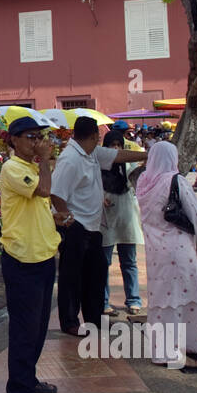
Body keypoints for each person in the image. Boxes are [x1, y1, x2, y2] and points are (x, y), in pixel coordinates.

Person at [50, 116, 148, 334]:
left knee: (96, 273)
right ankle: (70, 322)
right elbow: (56, 193)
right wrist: (67, 218)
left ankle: (94, 320)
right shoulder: (70, 159)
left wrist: (147, 154)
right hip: (76, 225)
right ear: (94, 136)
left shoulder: (92, 152)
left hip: (93, 226)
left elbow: (118, 155)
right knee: (72, 276)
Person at [134, 141, 197, 367]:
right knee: (182, 297)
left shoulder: (143, 182)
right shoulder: (176, 180)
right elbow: (196, 214)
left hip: (155, 250)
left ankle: (165, 349)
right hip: (178, 247)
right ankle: (176, 353)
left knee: (163, 298)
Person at [0, 116, 66, 393]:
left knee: (38, 327)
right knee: (24, 328)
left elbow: (41, 204)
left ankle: (28, 378)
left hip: (42, 255)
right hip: (22, 258)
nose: (36, 142)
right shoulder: (13, 168)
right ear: (14, 140)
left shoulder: (31, 167)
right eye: (30, 137)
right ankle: (19, 391)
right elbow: (43, 191)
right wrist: (46, 160)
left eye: (39, 136)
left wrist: (56, 217)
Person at [100, 129, 144, 316]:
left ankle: (133, 300)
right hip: (106, 217)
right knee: (103, 262)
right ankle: (103, 302)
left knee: (129, 261)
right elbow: (90, 186)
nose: (116, 149)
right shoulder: (99, 166)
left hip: (126, 217)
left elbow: (139, 181)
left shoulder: (129, 166)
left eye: (119, 145)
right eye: (112, 145)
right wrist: (100, 197)